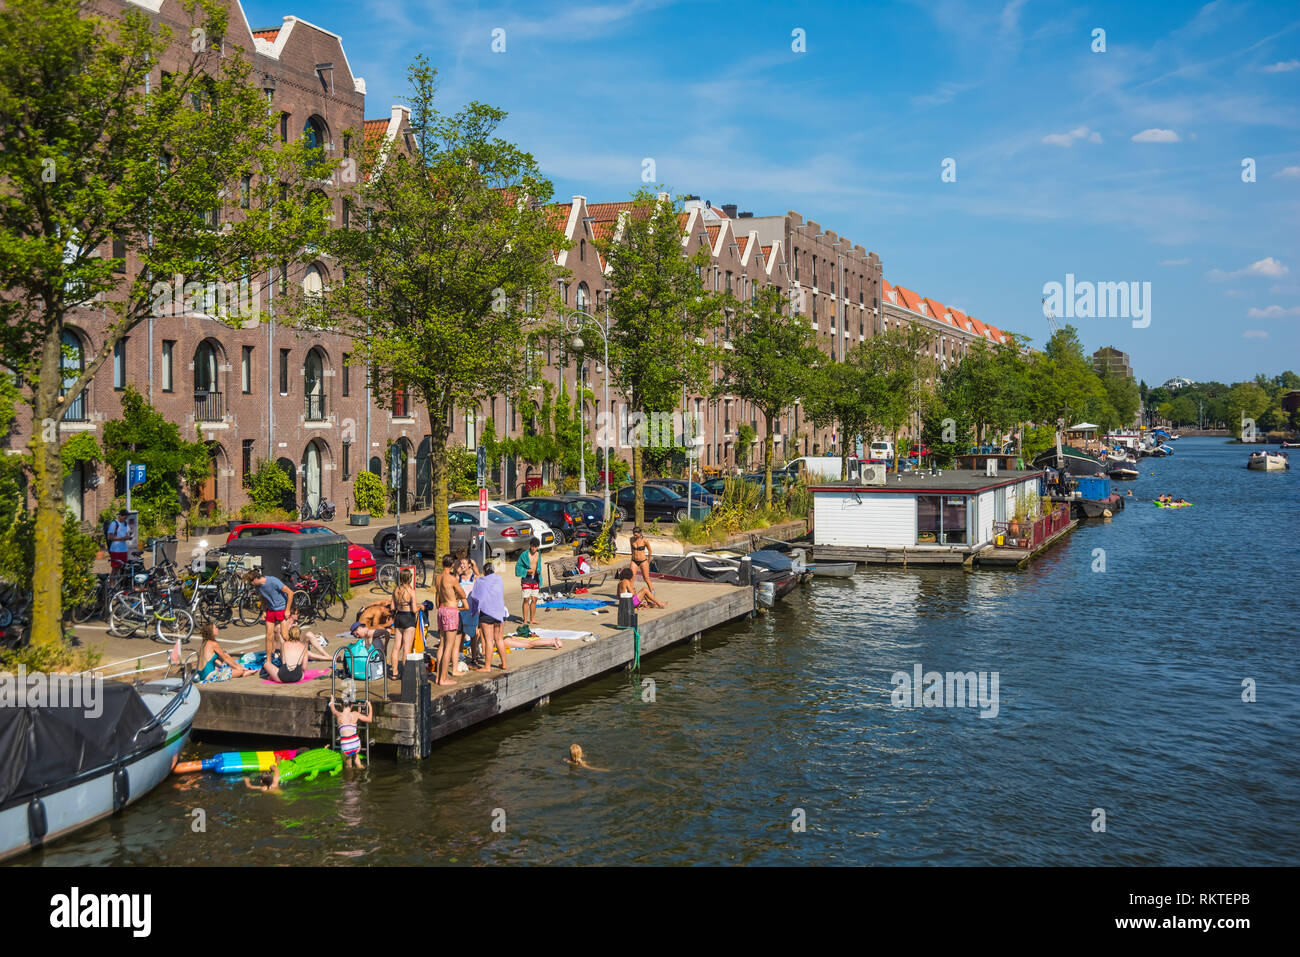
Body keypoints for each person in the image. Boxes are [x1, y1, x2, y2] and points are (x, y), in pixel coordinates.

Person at [470, 562, 510, 672]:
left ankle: (487, 667)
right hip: (500, 613)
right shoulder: (499, 579)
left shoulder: (480, 581)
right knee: (499, 639)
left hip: (487, 613)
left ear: (484, 571)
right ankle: (504, 664)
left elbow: (475, 596)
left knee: (489, 641)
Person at [246, 568, 294, 660]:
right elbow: (262, 597)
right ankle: (269, 660)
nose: (251, 585)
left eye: (250, 582)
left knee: (284, 635)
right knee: (269, 636)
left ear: (255, 579)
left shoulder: (273, 581)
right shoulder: (257, 587)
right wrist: (264, 611)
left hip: (281, 609)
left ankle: (295, 650)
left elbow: (290, 593)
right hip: (271, 610)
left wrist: (287, 610)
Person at [433, 555, 466, 687]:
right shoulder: (451, 579)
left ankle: (438, 677)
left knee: (442, 644)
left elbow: (437, 595)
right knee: (449, 646)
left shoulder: (438, 577)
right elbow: (463, 594)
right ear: (452, 564)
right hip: (451, 611)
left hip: (441, 609)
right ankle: (443, 679)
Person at [263, 624, 329, 684]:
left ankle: (272, 677)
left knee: (266, 663)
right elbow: (304, 667)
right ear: (299, 634)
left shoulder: (284, 645)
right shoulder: (303, 647)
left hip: (283, 676)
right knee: (300, 671)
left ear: (289, 634)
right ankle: (329, 657)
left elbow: (282, 660)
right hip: (298, 676)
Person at [389, 568, 419, 681]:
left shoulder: (396, 590)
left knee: (396, 647)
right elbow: (414, 609)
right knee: (406, 648)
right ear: (410, 578)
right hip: (408, 618)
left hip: (398, 617)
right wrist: (421, 607)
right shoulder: (411, 592)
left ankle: (394, 673)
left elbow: (392, 607)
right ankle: (405, 673)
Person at [329, 697, 373, 769]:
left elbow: (332, 707)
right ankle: (360, 768)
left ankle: (349, 777)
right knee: (355, 755)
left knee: (348, 767)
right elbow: (369, 719)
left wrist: (331, 701)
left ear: (341, 705)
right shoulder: (355, 714)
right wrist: (370, 706)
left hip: (346, 746)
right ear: (352, 705)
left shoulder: (338, 715)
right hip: (356, 744)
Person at [456, 553, 482, 666]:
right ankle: (460, 656)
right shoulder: (458, 578)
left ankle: (474, 657)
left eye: (464, 563)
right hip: (461, 609)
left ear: (470, 565)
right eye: (461, 563)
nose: (461, 565)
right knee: (461, 634)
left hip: (473, 610)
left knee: (473, 635)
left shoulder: (475, 578)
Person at [514, 538, 542, 627]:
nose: (534, 548)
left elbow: (539, 565)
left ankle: (532, 619)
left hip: (536, 579)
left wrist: (538, 570)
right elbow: (518, 566)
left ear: (538, 547)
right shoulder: (524, 555)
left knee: (534, 599)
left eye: (535, 547)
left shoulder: (539, 554)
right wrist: (526, 571)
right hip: (526, 579)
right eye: (532, 546)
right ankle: (525, 620)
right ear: (530, 545)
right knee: (526, 599)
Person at [628, 527, 655, 595]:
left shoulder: (644, 540)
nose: (634, 536)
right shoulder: (631, 539)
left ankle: (653, 593)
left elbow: (650, 550)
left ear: (640, 533)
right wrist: (632, 557)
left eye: (636, 535)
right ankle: (631, 594)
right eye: (634, 534)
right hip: (634, 561)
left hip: (643, 561)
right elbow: (632, 549)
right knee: (631, 578)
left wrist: (648, 561)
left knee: (646, 578)